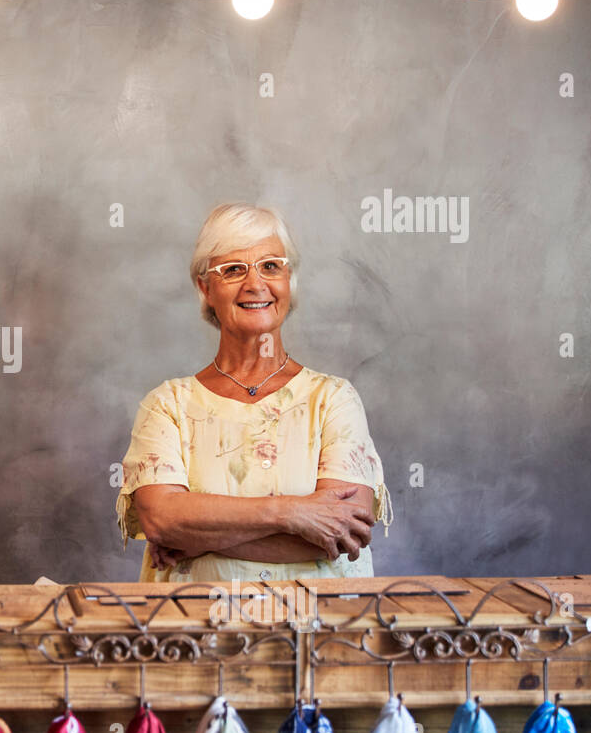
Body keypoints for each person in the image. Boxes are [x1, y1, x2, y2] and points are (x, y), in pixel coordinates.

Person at [115, 203, 393, 583]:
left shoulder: (333, 400)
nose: (255, 284)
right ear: (205, 288)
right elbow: (163, 520)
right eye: (232, 270)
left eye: (271, 265)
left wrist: (198, 539)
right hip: (195, 636)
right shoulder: (167, 406)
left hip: (320, 634)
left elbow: (345, 531)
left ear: (288, 280)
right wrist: (291, 514)